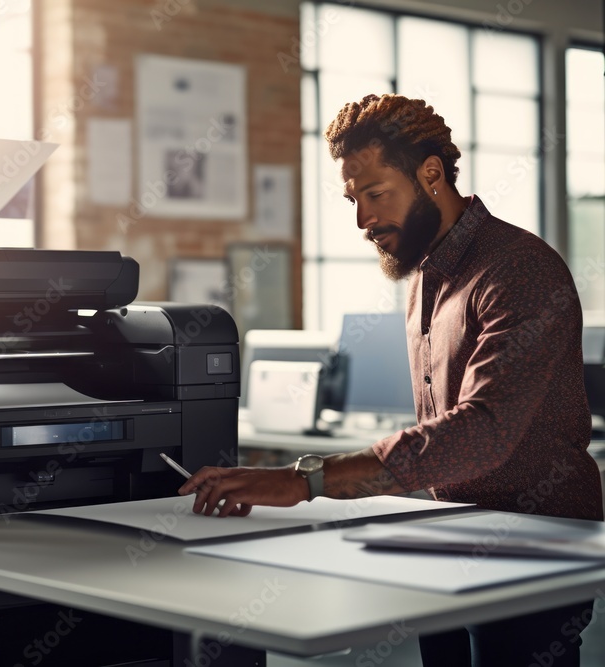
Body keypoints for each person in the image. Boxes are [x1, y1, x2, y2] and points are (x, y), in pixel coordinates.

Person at [178, 93, 603, 666]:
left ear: (431, 174)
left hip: (537, 543)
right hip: (452, 534)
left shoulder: (517, 268)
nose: (363, 220)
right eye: (353, 199)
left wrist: (305, 480)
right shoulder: (425, 275)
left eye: (376, 194)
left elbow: (484, 431)